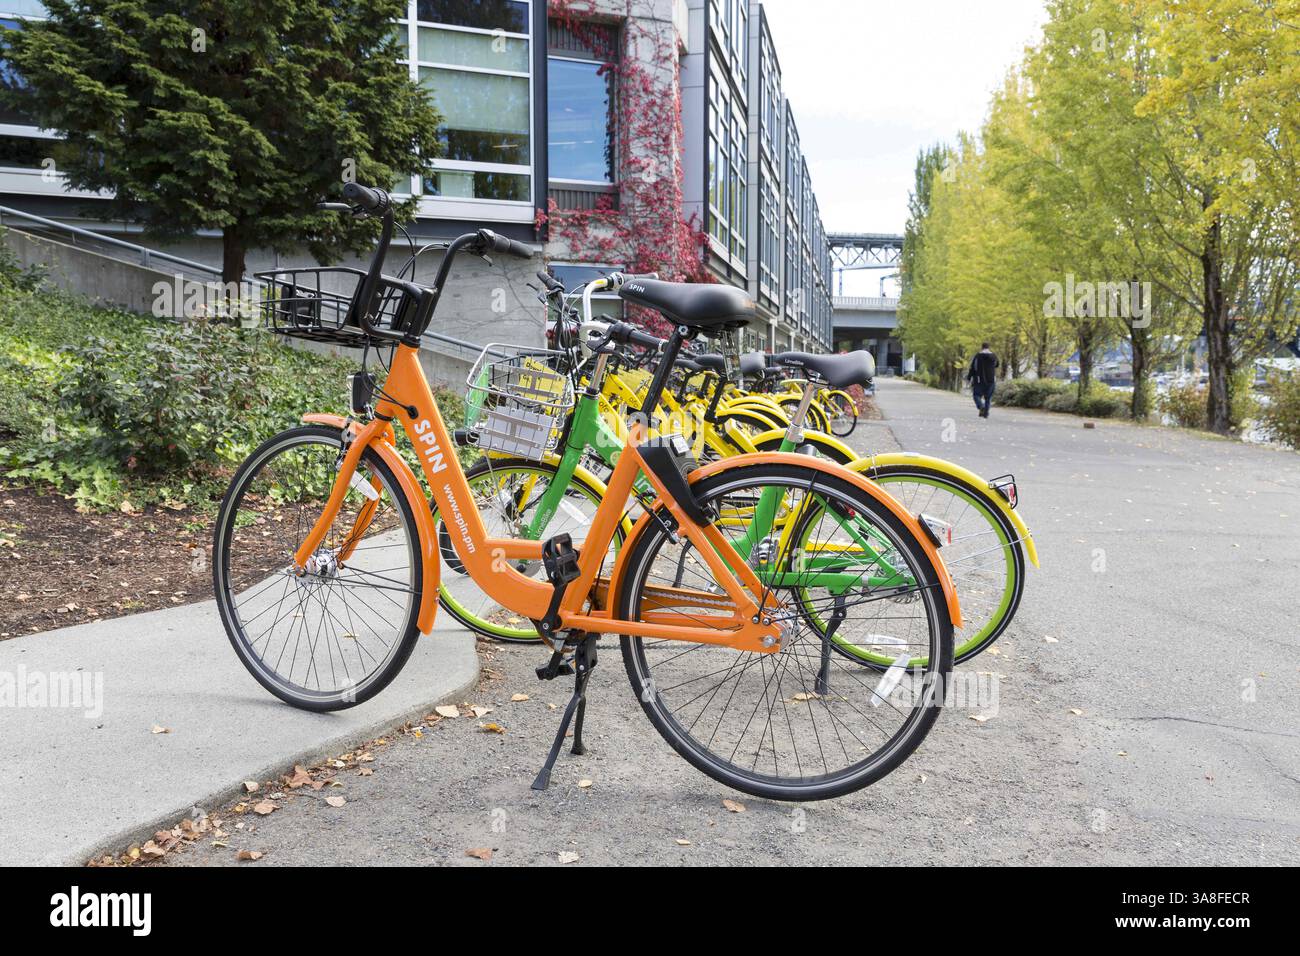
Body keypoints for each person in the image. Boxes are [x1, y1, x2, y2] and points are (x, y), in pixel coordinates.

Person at [967, 343, 998, 418]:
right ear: (988, 347)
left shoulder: (978, 356)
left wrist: (969, 377)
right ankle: (986, 413)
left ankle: (981, 407)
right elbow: (997, 365)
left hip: (979, 380)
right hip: (991, 380)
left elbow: (973, 368)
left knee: (976, 395)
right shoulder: (994, 356)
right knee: (988, 397)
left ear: (982, 347)